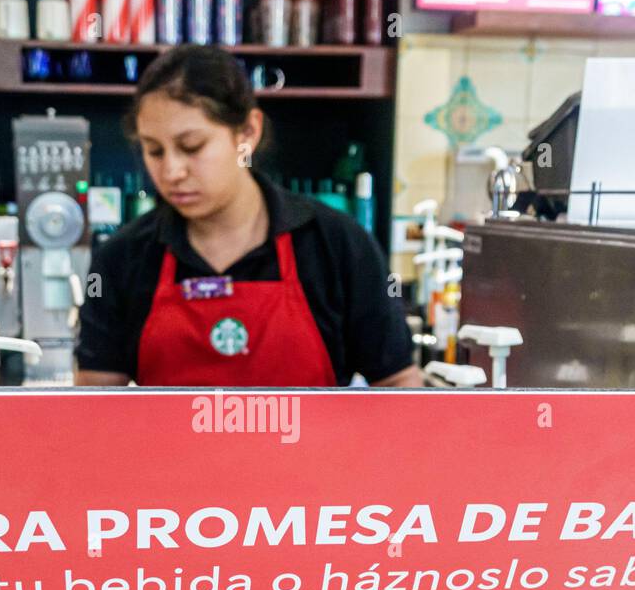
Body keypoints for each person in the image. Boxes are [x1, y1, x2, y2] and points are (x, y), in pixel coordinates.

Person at [74, 44, 421, 388]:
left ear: (247, 133)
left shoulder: (337, 244)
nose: (171, 171)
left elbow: (400, 385)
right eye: (153, 150)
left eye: (192, 146)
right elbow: (94, 408)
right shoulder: (121, 259)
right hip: (168, 447)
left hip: (310, 446)